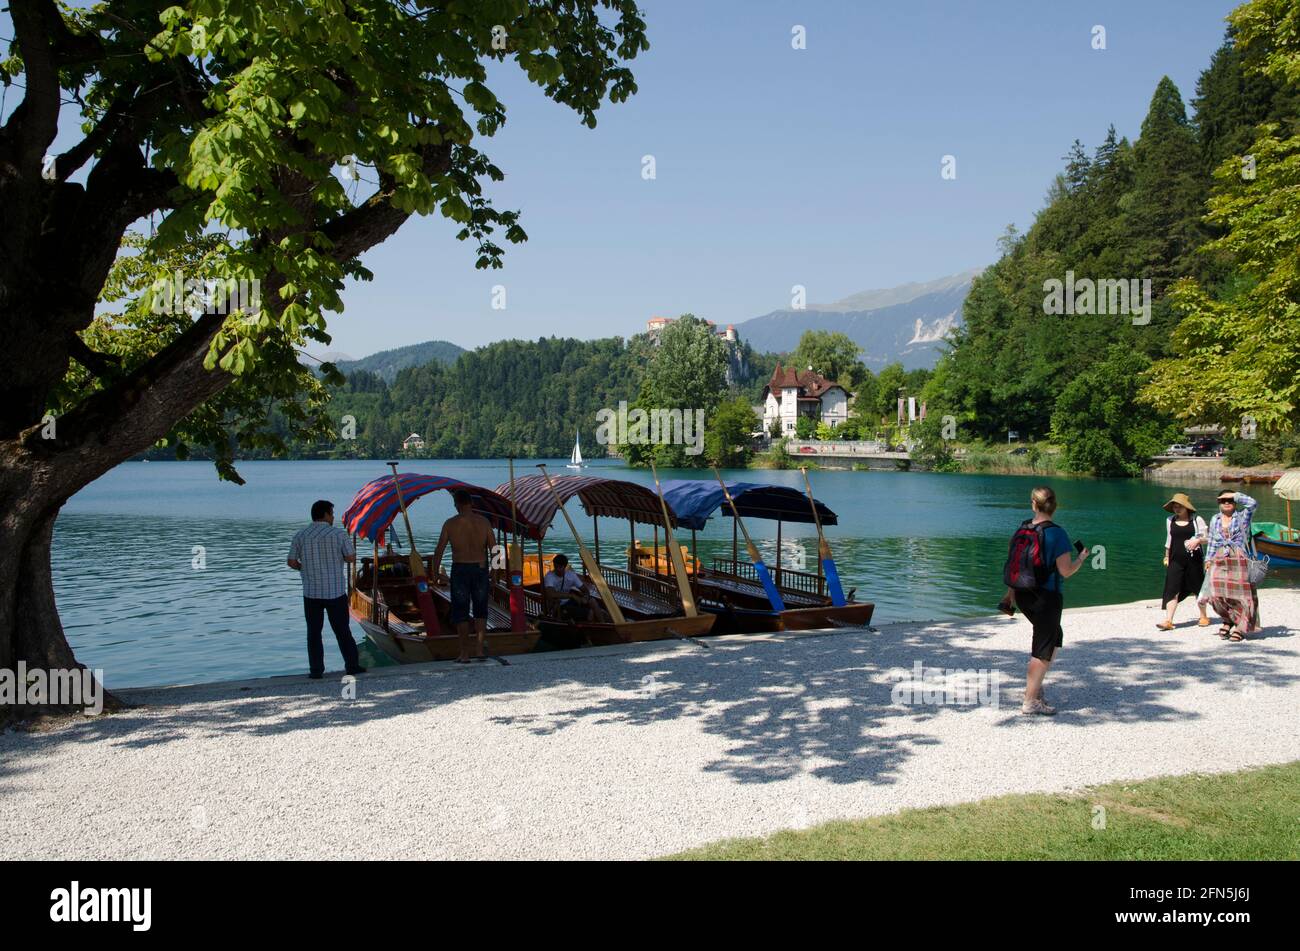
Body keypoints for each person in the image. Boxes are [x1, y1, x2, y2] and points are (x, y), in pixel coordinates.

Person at [998, 486, 1088, 716]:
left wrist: (1010, 596)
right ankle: (1030, 701)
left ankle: (1035, 686)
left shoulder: (1024, 528)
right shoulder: (1057, 533)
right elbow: (1066, 571)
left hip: (1023, 594)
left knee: (1054, 637)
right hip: (1046, 597)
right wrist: (1081, 559)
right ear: (1054, 506)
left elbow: (1016, 565)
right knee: (1042, 648)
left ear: (1033, 504)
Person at [287, 500, 365, 679]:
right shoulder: (338, 535)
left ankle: (316, 670)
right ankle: (352, 666)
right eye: (332, 513)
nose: (333, 517)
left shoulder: (301, 535)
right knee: (342, 631)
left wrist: (304, 568)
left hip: (311, 592)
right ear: (325, 515)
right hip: (335, 591)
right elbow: (351, 557)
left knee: (314, 633)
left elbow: (291, 562)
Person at [431, 489, 495, 662]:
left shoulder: (450, 524)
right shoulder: (484, 522)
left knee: (461, 611)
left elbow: (439, 550)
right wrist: (496, 572)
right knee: (481, 610)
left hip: (460, 569)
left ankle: (464, 654)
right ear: (471, 503)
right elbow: (495, 550)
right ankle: (480, 651)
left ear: (456, 505)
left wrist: (434, 573)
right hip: (481, 569)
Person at [1199, 489, 1260, 641]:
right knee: (1217, 594)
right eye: (1223, 500)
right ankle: (1228, 619)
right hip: (1219, 557)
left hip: (1239, 558)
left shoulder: (1242, 516)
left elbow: (1253, 503)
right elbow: (1212, 540)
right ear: (1219, 503)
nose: (1226, 503)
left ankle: (1240, 626)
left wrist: (1235, 495)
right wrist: (1208, 559)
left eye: (1230, 501)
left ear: (1234, 502)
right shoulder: (1215, 519)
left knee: (1241, 595)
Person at [1157, 493, 1210, 630]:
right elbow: (1169, 541)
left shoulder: (1197, 520)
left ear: (1187, 507)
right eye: (1175, 506)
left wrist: (1198, 540)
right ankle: (1168, 620)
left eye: (1180, 506)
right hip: (1175, 560)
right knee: (1171, 589)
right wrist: (1166, 556)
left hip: (1194, 560)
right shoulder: (1170, 520)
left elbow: (1208, 538)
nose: (1177, 509)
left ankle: (1203, 616)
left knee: (1198, 589)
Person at [543, 554, 593, 622]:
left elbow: (585, 590)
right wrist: (572, 596)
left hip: (569, 602)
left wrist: (585, 598)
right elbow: (552, 594)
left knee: (593, 602)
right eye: (555, 566)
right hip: (558, 606)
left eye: (560, 567)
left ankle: (604, 624)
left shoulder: (571, 575)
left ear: (565, 567)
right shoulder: (549, 576)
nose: (557, 569)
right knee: (589, 613)